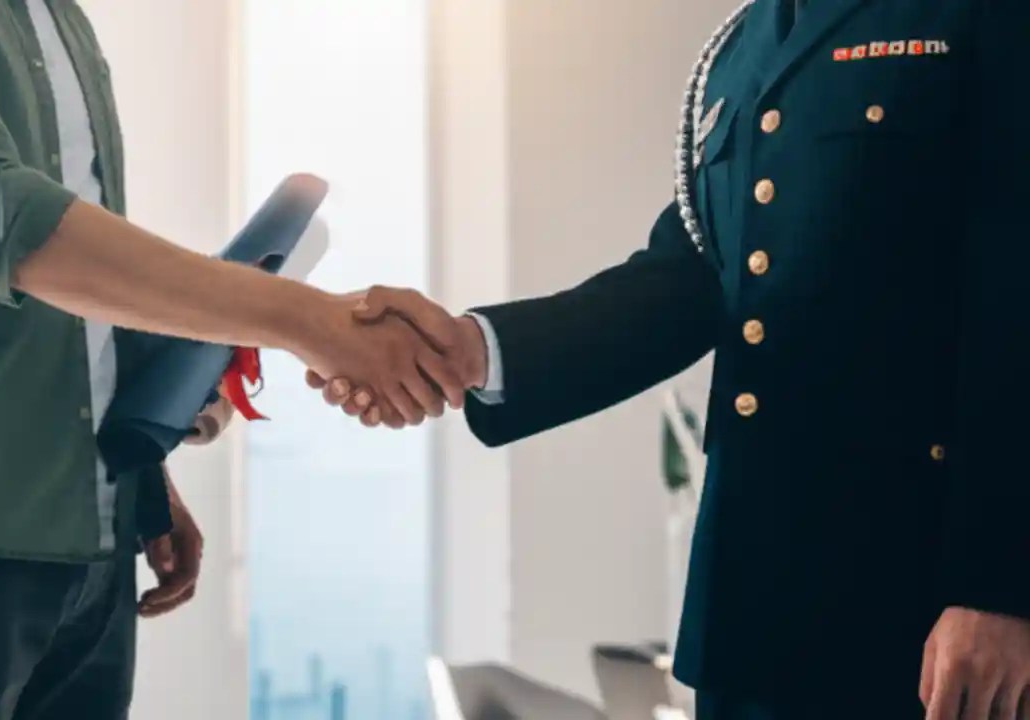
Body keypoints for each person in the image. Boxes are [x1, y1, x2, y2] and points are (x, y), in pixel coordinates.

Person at [312, 1, 1030, 717]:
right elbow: (689, 281)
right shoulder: (743, 44)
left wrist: (1000, 585)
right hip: (750, 615)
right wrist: (470, 351)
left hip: (923, 614)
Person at [0, 0, 465, 717]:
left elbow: (73, 287)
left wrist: (145, 464)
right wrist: (309, 322)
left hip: (92, 537)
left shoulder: (59, 17)